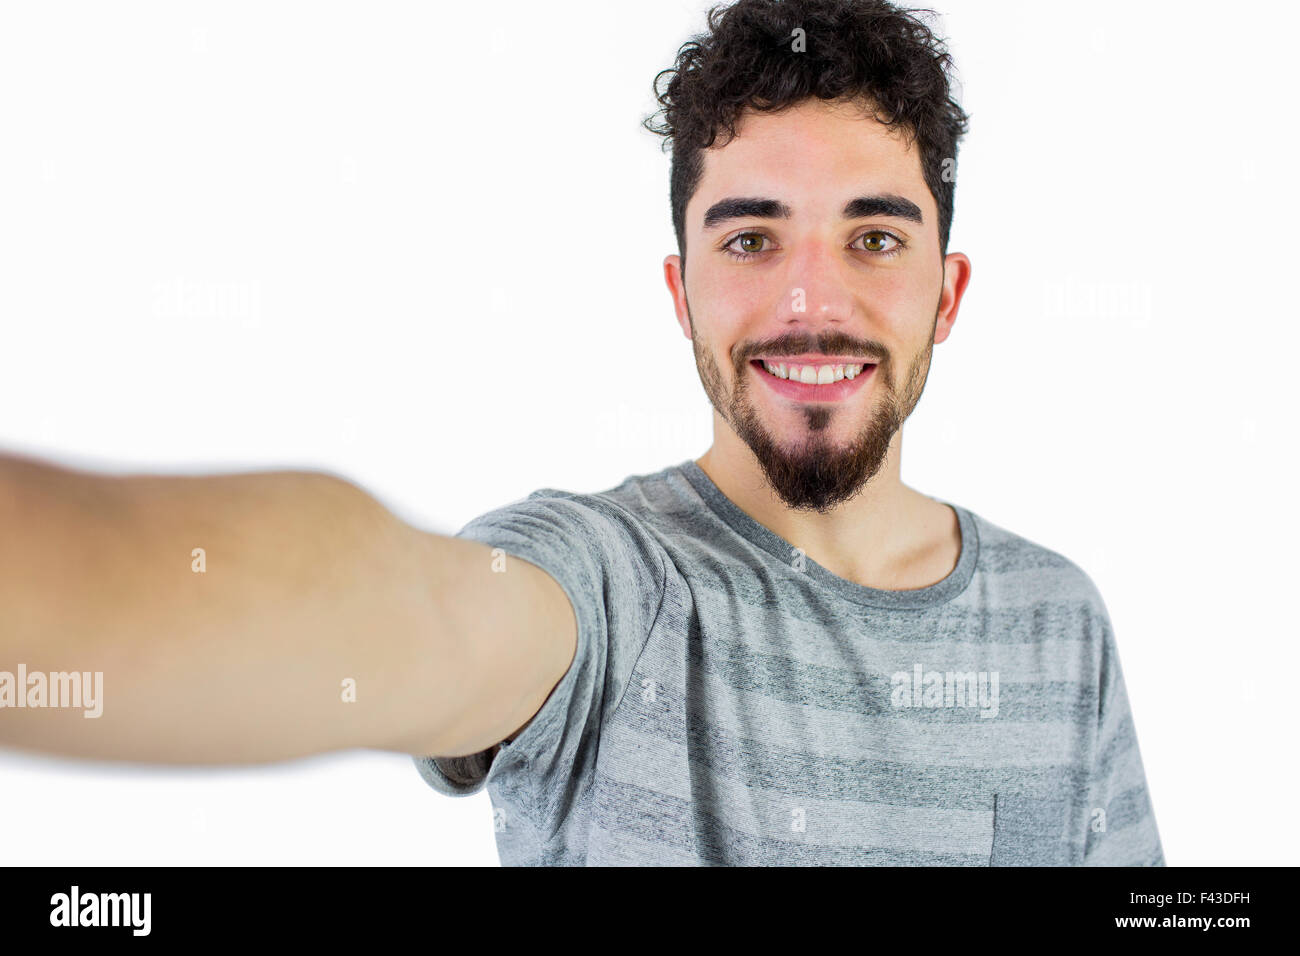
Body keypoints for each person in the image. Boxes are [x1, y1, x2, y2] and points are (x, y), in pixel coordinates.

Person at [0, 0, 1162, 866]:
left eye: (874, 237)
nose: (812, 301)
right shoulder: (609, 585)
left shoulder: (1057, 619)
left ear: (947, 294)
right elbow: (410, 606)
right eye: (751, 240)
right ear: (681, 292)